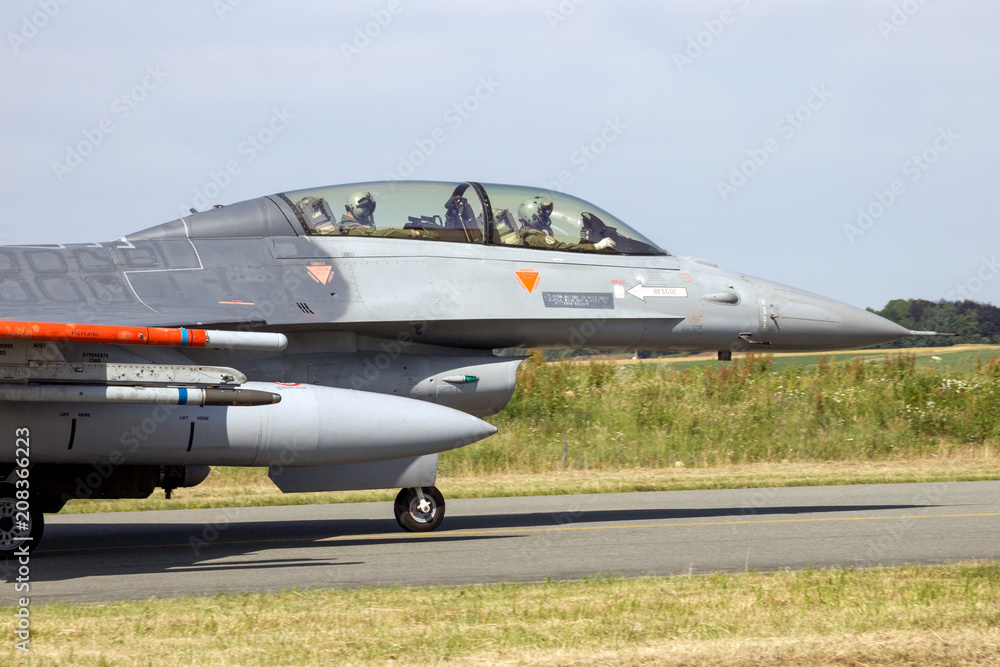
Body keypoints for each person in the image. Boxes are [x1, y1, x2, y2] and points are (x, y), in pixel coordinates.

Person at [515, 196, 616, 252]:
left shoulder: (527, 235)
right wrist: (596, 246)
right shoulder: (536, 238)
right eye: (544, 215)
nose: (547, 218)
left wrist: (584, 243)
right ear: (532, 216)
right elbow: (563, 249)